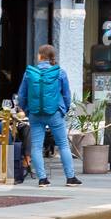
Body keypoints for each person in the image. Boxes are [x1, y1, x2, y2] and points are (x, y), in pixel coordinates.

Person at [17, 44, 81, 188]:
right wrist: (63, 110)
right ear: (53, 57)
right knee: (63, 144)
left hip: (35, 113)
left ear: (40, 56)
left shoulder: (29, 73)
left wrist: (28, 111)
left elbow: (22, 96)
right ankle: (70, 178)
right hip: (55, 113)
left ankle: (42, 179)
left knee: (36, 146)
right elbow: (66, 95)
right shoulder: (60, 73)